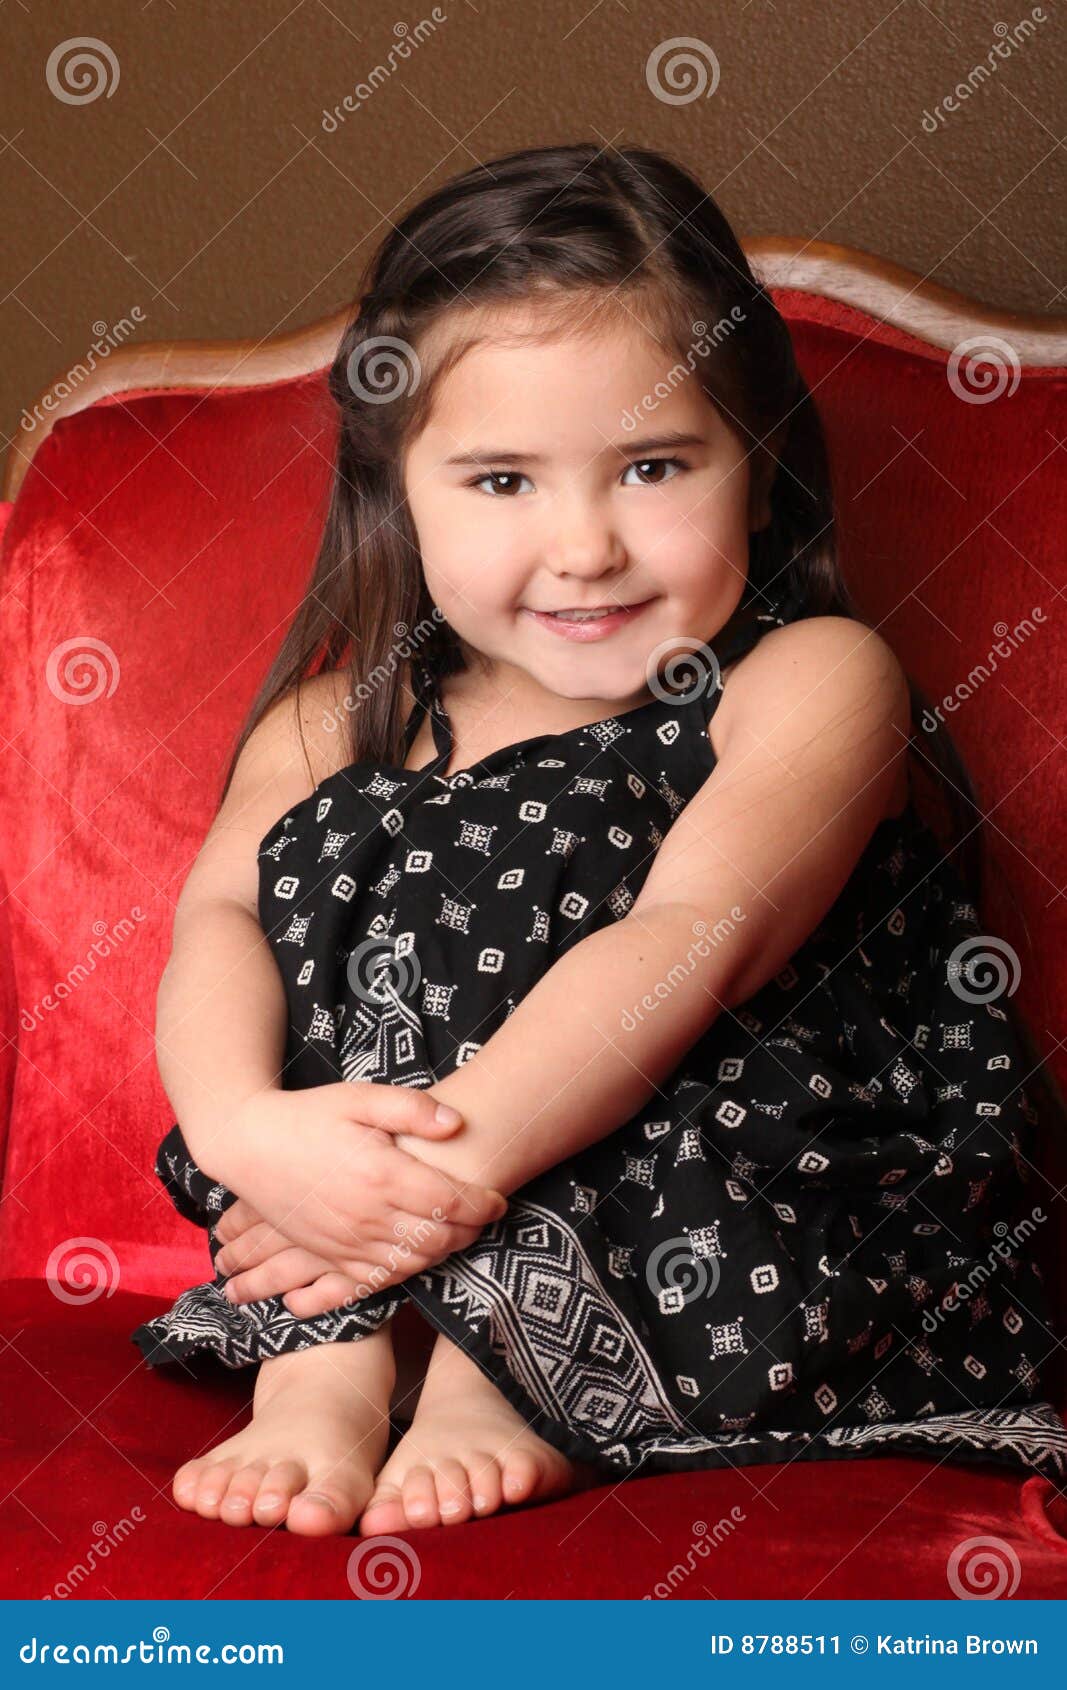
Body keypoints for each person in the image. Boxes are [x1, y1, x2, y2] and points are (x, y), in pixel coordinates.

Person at [131, 141, 1067, 1538]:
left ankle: (500, 1377)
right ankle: (327, 1366)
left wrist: (421, 1193)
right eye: (503, 481)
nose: (583, 547)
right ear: (405, 491)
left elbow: (687, 942)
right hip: (364, 1186)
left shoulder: (808, 678)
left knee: (632, 1018)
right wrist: (249, 1130)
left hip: (723, 1179)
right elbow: (215, 926)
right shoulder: (341, 720)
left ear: (754, 472)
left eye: (649, 465)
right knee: (327, 948)